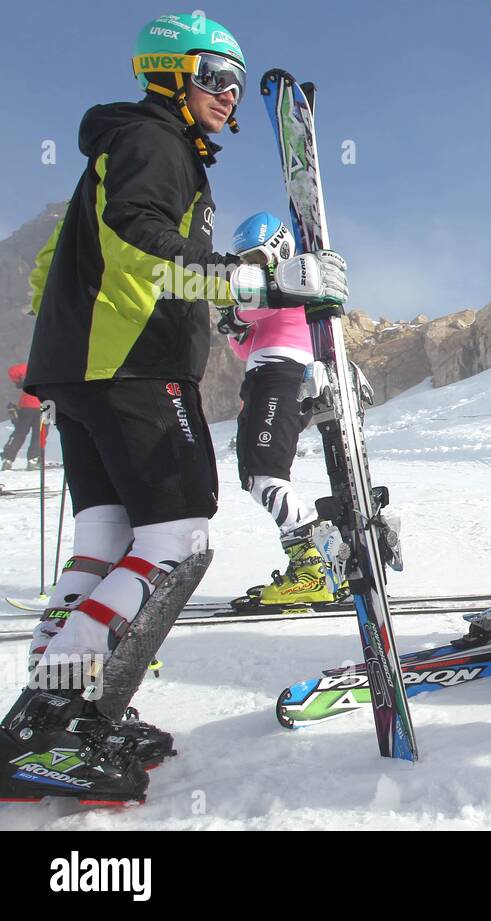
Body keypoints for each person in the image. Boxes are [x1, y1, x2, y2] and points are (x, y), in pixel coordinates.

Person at [0, 13, 349, 804]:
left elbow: (61, 262)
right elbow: (141, 243)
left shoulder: (125, 145)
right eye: (214, 77)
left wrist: (88, 314)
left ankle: (50, 720)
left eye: (236, 83)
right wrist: (252, 280)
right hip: (134, 367)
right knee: (178, 537)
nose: (228, 94)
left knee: (105, 543)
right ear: (169, 71)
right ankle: (52, 720)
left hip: (88, 369)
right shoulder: (157, 142)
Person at [223, 212, 342, 607]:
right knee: (256, 475)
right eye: (245, 262)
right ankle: (329, 563)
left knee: (265, 475)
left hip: (282, 374)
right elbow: (245, 345)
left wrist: (236, 313)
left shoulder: (293, 275)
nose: (251, 268)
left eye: (256, 258)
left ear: (279, 248)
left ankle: (310, 571)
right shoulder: (265, 290)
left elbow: (265, 301)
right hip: (264, 377)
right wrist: (235, 327)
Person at [3, 364, 45, 471]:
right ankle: (33, 460)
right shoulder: (50, 367)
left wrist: (19, 382)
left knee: (19, 433)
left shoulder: (30, 366)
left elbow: (12, 371)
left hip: (27, 405)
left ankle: (7, 460)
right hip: (44, 405)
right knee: (39, 435)